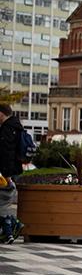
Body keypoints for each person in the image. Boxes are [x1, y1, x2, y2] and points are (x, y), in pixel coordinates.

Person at [0, 104, 25, 243]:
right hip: (14, 169)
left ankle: (11, 229)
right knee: (4, 203)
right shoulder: (16, 126)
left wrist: (7, 175)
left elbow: (7, 152)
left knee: (2, 204)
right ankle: (10, 229)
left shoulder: (7, 128)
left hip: (7, 172)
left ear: (1, 113)